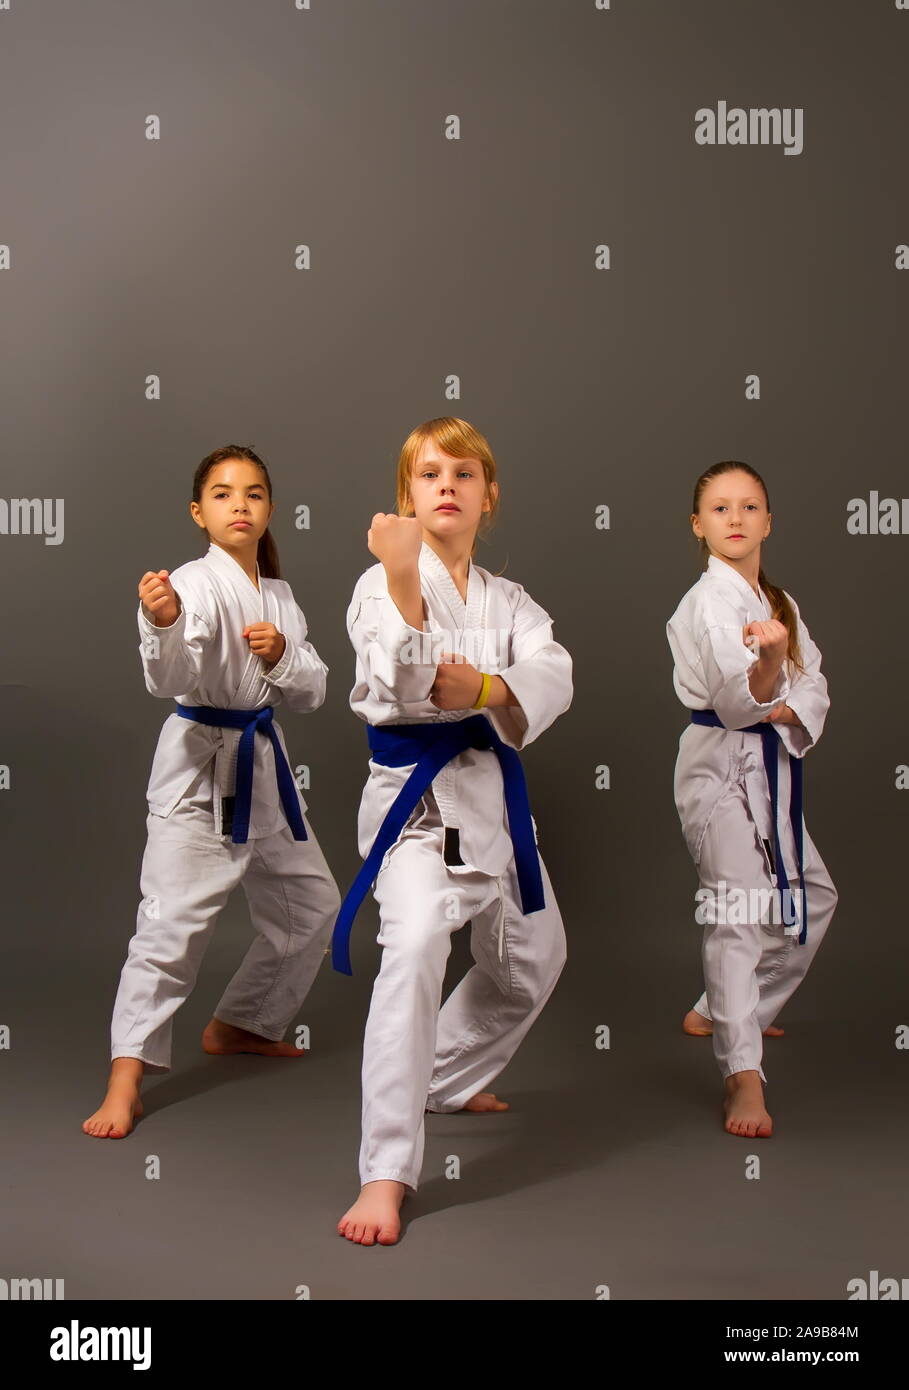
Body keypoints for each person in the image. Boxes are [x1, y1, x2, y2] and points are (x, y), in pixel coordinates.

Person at [336, 416, 572, 1244]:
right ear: (407, 497)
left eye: (464, 474)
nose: (447, 485)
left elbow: (554, 670)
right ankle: (385, 1170)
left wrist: (489, 685)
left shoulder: (510, 600)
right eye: (429, 473)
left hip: (497, 804)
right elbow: (396, 682)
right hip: (419, 814)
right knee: (413, 953)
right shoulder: (380, 583)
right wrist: (402, 575)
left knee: (537, 956)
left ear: (487, 495)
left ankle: (436, 1076)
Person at [83, 445, 340, 1139]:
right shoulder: (192, 583)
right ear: (199, 512)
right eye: (223, 494)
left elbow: (314, 691)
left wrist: (282, 656)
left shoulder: (280, 596)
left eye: (254, 493)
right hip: (200, 770)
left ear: (269, 511)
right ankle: (126, 1076)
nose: (240, 505)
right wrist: (162, 622)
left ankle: (241, 1024)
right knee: (170, 924)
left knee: (312, 903)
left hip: (263, 766)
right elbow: (168, 680)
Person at [666, 460, 837, 1138]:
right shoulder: (703, 604)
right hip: (716, 769)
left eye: (747, 507)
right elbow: (737, 704)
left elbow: (814, 681)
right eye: (718, 509)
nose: (734, 519)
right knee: (735, 912)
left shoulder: (780, 603)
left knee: (814, 896)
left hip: (769, 768)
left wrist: (783, 698)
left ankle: (724, 1006)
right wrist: (768, 675)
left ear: (767, 521)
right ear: (698, 525)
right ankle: (742, 1074)